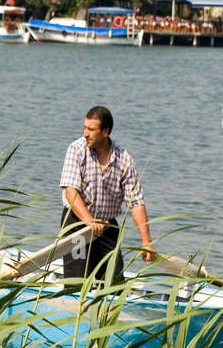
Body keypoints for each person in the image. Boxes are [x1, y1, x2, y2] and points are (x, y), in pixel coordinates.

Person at [59, 105, 154, 282]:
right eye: (84, 128)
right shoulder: (76, 150)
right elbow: (71, 192)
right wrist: (89, 221)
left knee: (114, 282)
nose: (85, 133)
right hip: (77, 223)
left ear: (105, 132)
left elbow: (136, 203)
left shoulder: (124, 159)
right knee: (77, 281)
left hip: (107, 226)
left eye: (91, 129)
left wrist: (146, 241)